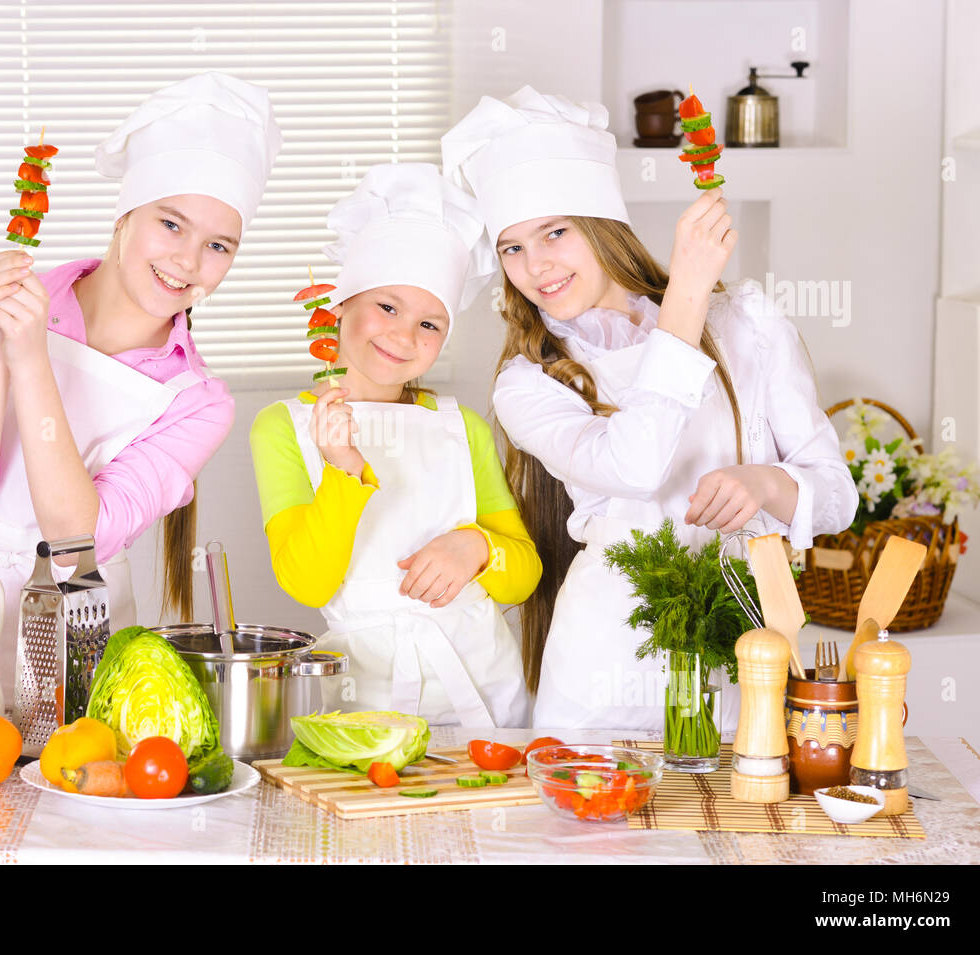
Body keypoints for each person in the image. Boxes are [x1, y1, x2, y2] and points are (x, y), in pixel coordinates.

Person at [441, 87, 858, 730]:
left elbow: (836, 497)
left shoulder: (746, 321)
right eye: (511, 247)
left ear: (604, 227)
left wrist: (768, 482)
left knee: (741, 820)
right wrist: (685, 299)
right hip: (607, 656)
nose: (536, 265)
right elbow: (634, 465)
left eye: (556, 231)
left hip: (740, 637)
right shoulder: (529, 384)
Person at [0, 72, 283, 706]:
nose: (187, 261)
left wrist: (32, 359)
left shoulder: (197, 402)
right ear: (126, 212)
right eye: (171, 224)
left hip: (77, 633)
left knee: (72, 789)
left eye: (218, 246)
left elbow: (74, 546)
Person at [249, 163, 542, 727]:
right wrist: (342, 470)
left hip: (483, 684)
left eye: (431, 325)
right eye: (387, 307)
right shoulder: (282, 427)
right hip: (365, 694)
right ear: (339, 308)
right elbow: (307, 582)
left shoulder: (464, 427)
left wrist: (477, 546)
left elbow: (523, 574)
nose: (405, 337)